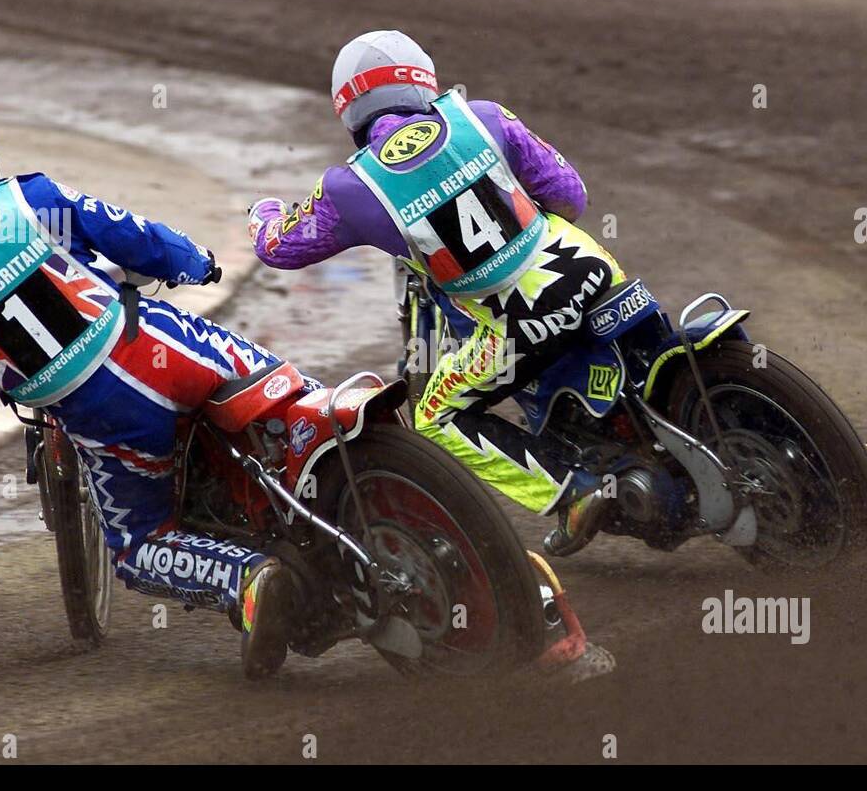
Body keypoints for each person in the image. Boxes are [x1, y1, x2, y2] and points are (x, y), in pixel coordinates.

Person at [0, 102, 303, 677]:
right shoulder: (31, 197)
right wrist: (199, 264)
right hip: (167, 345)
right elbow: (139, 237)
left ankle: (248, 578)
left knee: (137, 546)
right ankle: (355, 451)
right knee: (292, 395)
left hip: (106, 415)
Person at [247, 30, 635, 557]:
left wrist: (262, 213)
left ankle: (569, 494)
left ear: (350, 107)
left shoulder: (352, 187)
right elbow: (572, 196)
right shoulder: (484, 117)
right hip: (592, 268)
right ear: (422, 79)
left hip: (514, 325)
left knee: (435, 417)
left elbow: (279, 247)